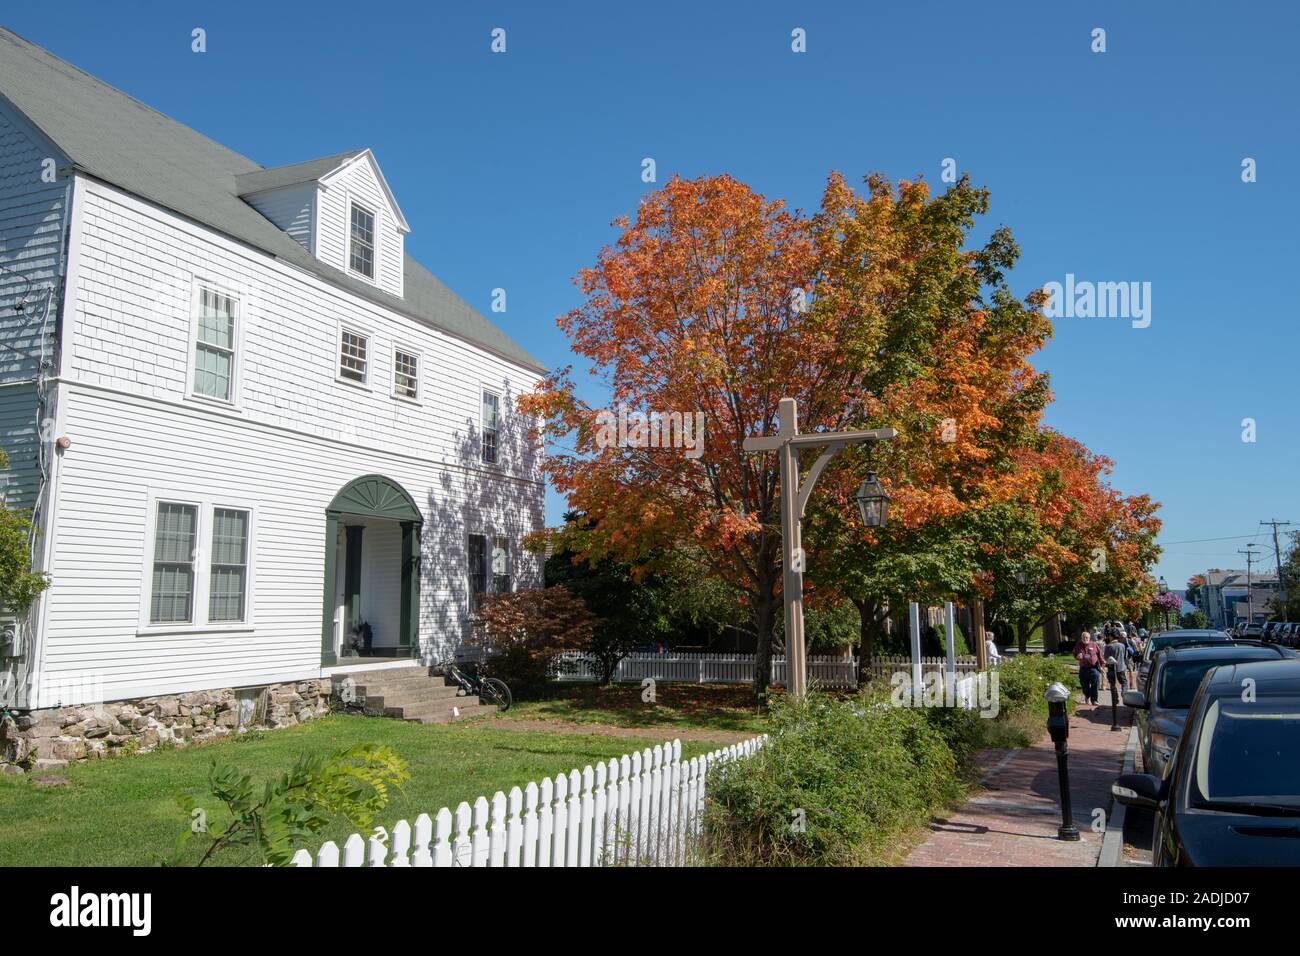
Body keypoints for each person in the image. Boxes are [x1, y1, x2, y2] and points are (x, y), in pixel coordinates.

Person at [1073, 631, 1104, 704]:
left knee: (1095, 683)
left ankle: (1094, 700)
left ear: (1089, 638)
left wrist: (1102, 666)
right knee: (1084, 684)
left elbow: (1100, 656)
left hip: (1094, 667)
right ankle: (1087, 696)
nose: (1085, 638)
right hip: (1083, 668)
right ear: (1081, 638)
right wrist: (1077, 656)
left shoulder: (1094, 644)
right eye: (1084, 637)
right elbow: (1074, 653)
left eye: (1087, 637)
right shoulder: (1078, 645)